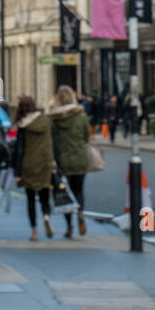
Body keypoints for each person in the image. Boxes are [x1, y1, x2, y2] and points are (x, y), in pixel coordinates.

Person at [48, 85, 90, 239]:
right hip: (79, 158)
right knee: (79, 191)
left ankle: (69, 227)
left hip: (62, 162)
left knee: (64, 194)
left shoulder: (53, 118)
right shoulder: (81, 116)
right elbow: (87, 137)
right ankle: (80, 213)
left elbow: (51, 140)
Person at [13, 95, 55, 241]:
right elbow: (53, 143)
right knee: (45, 196)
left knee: (30, 199)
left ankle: (34, 231)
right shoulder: (46, 121)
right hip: (45, 163)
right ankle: (46, 217)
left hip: (28, 165)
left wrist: (17, 172)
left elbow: (20, 149)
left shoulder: (23, 125)